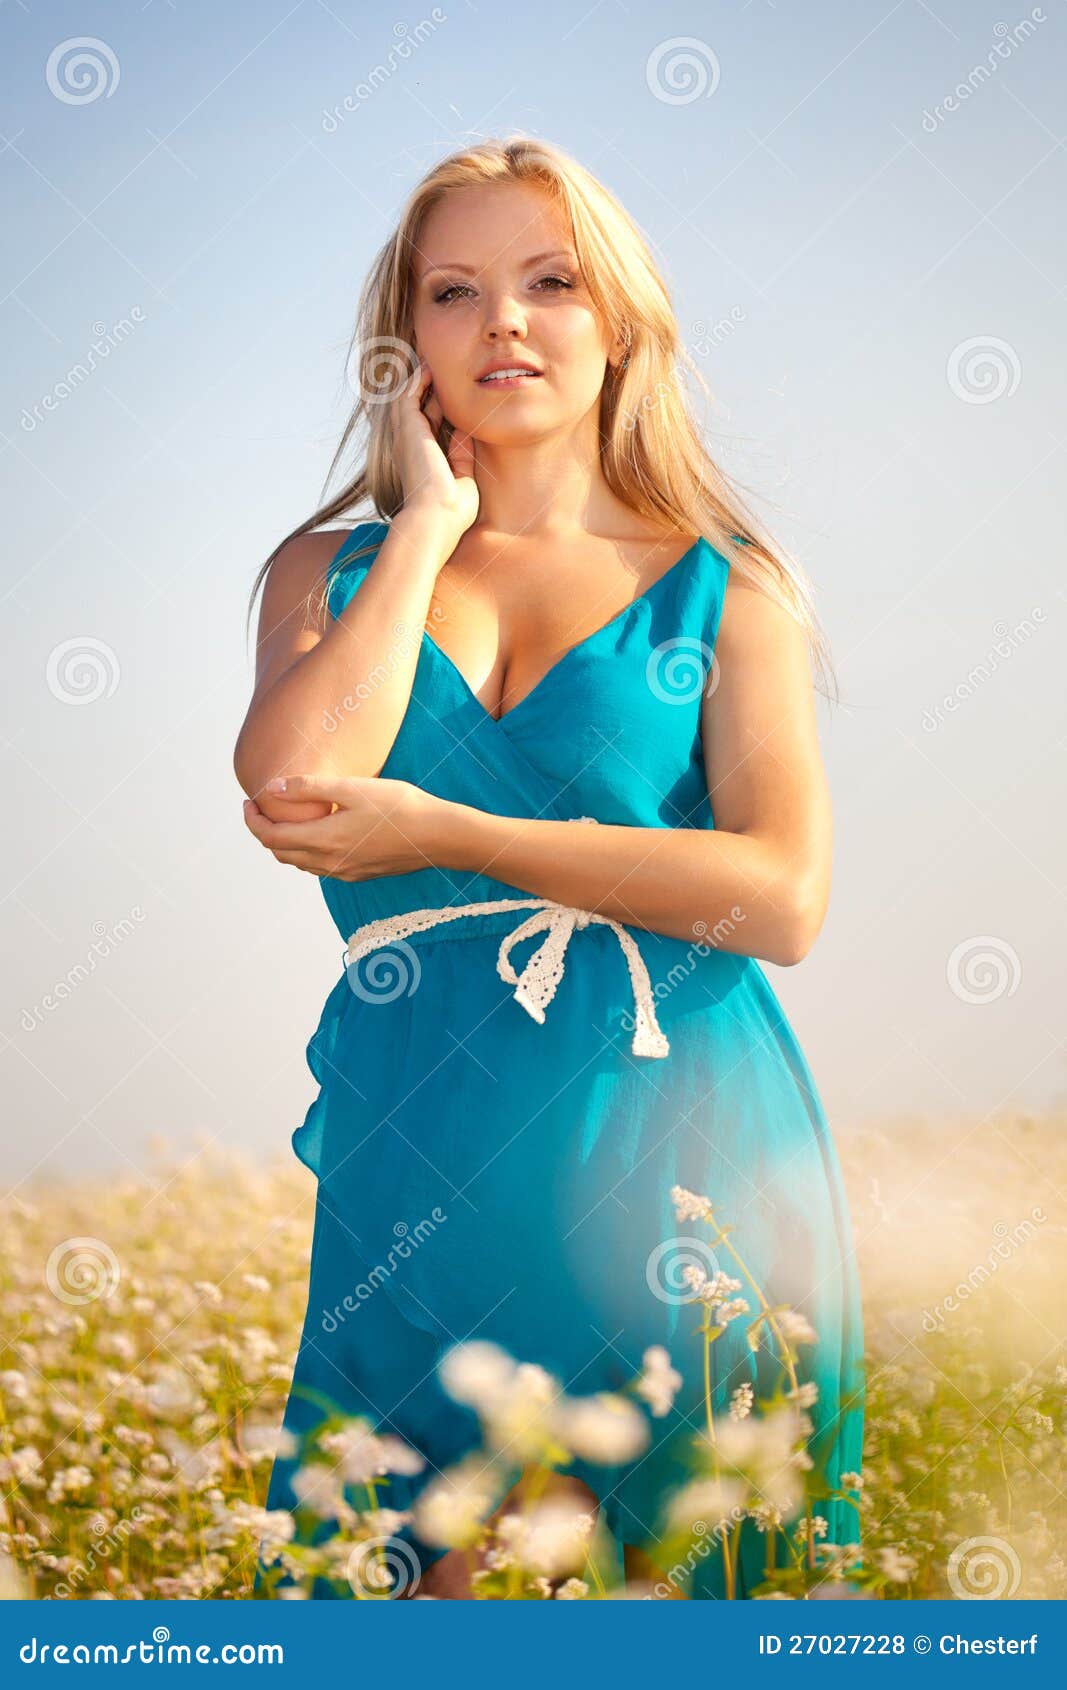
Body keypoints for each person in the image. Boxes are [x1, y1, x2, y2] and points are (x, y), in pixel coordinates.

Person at [234, 135, 863, 1600]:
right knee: (396, 1585)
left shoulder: (728, 580)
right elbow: (286, 780)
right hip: (419, 1154)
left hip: (684, 1145)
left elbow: (781, 894)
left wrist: (453, 835)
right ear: (409, 351)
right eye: (455, 292)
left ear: (620, 323)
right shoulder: (323, 573)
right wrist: (422, 536)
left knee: (658, 1598)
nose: (504, 320)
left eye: (550, 281)